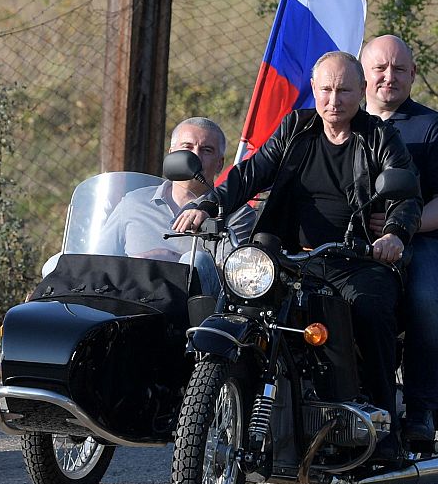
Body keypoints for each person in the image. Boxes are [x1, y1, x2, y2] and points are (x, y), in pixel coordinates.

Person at [174, 52, 421, 443]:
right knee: (241, 302)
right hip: (287, 257)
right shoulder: (295, 127)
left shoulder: (379, 136)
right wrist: (207, 204)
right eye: (325, 89)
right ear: (314, 90)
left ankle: (383, 422)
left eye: (343, 90)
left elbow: (406, 196)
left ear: (361, 91)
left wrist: (393, 233)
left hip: (353, 258)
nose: (333, 99)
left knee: (370, 310)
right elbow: (250, 174)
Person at [359, 35, 438, 448]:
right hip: (350, 242)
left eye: (400, 69)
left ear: (413, 75)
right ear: (362, 72)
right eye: (381, 68)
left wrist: (402, 227)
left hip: (422, 244)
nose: (390, 77)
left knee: (424, 299)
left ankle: (421, 408)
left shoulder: (433, 128)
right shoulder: (339, 123)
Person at [97, 117, 256, 295]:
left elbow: (230, 279)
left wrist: (171, 262)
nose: (195, 156)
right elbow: (96, 260)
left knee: (195, 260)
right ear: (171, 153)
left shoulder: (237, 213)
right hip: (131, 304)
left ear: (219, 163)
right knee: (59, 260)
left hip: (194, 312)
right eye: (187, 147)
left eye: (207, 150)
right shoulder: (133, 202)